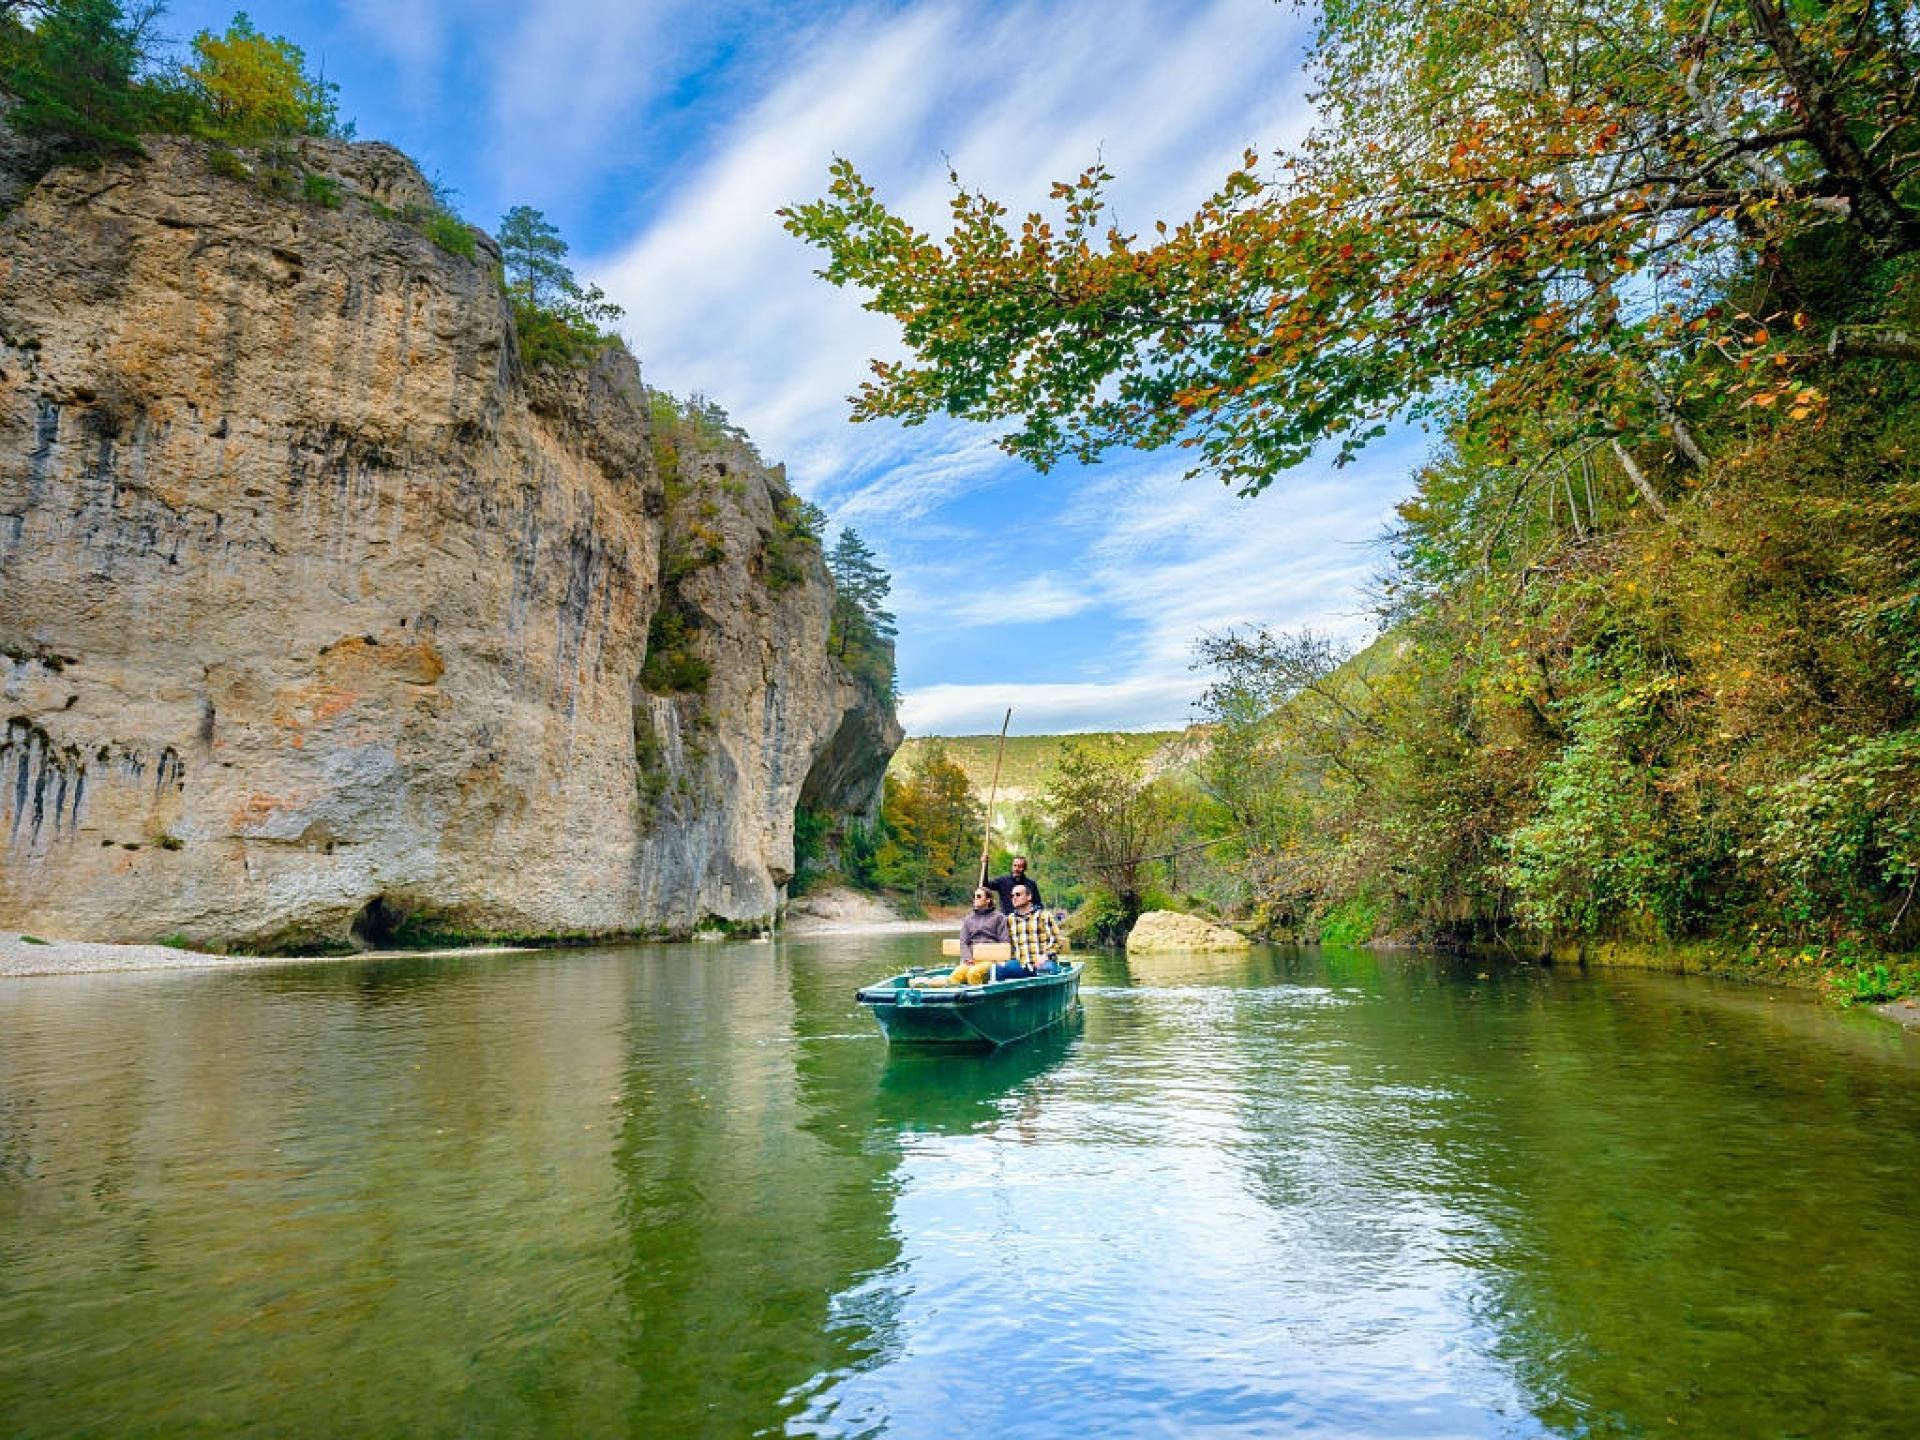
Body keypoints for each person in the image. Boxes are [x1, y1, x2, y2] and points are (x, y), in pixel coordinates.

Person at [948, 886, 1010, 986]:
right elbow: (963, 941)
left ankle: (978, 1000)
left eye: (978, 896)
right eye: (974, 896)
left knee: (973, 973)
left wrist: (1000, 960)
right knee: (954, 976)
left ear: (988, 900)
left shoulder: (999, 917)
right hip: (972, 959)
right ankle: (957, 999)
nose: (975, 898)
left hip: (991, 959)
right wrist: (968, 958)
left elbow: (1004, 941)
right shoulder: (968, 919)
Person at [1002, 881, 1064, 978]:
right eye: (1012, 895)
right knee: (998, 971)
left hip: (1043, 962)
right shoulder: (1009, 920)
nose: (1014, 897)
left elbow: (1058, 941)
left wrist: (1046, 956)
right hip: (1020, 964)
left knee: (1046, 970)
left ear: (1029, 896)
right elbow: (1007, 945)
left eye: (1018, 895)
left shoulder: (1044, 916)